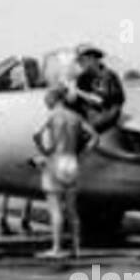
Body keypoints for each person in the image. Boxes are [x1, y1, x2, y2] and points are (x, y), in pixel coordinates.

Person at [32, 84, 97, 260]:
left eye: (48, 98)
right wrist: (82, 153)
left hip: (55, 161)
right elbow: (94, 137)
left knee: (55, 209)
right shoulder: (75, 117)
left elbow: (36, 135)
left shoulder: (52, 116)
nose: (46, 102)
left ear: (55, 99)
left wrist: (45, 151)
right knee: (72, 209)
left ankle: (56, 248)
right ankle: (76, 248)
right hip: (72, 161)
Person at [69, 43, 126, 134]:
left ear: (92, 58)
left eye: (82, 60)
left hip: (104, 117)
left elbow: (112, 104)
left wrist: (80, 93)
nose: (80, 64)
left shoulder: (108, 76)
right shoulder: (82, 78)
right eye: (79, 61)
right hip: (87, 117)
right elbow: (77, 104)